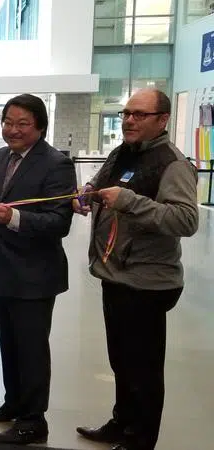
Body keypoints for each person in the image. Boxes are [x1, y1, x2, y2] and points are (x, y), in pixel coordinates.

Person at [74, 89, 198, 450]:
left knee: (143, 368)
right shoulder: (121, 153)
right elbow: (101, 184)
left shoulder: (172, 163)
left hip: (147, 281)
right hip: (115, 274)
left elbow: (186, 219)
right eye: (127, 112)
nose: (129, 120)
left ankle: (141, 440)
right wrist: (89, 191)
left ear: (162, 120)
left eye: (140, 114)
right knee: (122, 361)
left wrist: (128, 201)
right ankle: (122, 423)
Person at [0, 94, 76, 445]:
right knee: (9, 343)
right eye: (8, 122)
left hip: (35, 273)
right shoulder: (0, 157)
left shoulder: (56, 164)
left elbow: (59, 221)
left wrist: (13, 217)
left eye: (22, 124)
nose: (12, 130)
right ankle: (13, 403)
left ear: (40, 127)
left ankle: (33, 420)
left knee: (31, 348)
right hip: (1, 267)